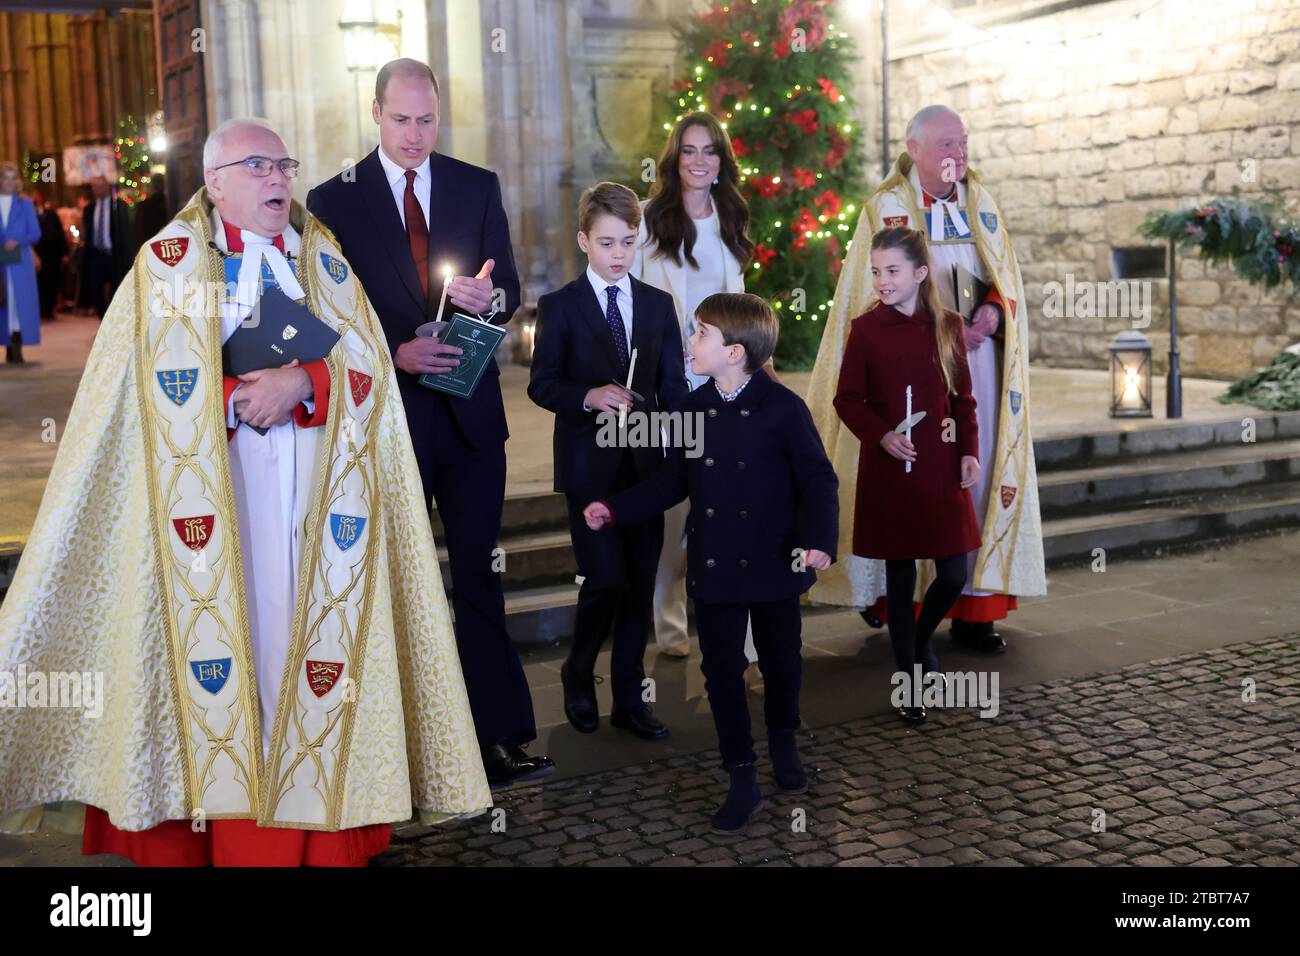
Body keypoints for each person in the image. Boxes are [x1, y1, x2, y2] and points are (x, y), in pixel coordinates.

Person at [0, 118, 491, 866]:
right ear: (215, 181)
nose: (278, 180)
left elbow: (371, 374)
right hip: (212, 527)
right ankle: (233, 842)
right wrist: (231, 397)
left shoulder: (322, 262)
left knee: (302, 666)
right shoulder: (166, 266)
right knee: (231, 674)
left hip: (317, 522)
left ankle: (313, 838)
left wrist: (304, 381)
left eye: (284, 165)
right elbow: (130, 398)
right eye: (258, 166)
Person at [307, 58, 551, 789]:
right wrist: (394, 351)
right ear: (375, 113)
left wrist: (489, 295)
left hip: (472, 422)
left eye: (427, 120)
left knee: (479, 577)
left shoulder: (478, 185)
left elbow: (507, 285)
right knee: (389, 585)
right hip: (387, 421)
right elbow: (323, 319)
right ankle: (393, 751)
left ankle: (498, 739)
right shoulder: (331, 201)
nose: (415, 134)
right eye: (401, 119)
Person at [585, 292, 837, 835]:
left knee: (782, 663)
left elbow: (818, 479)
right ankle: (741, 773)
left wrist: (818, 539)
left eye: (701, 334)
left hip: (775, 560)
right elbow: (672, 480)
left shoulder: (783, 408)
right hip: (716, 562)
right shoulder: (692, 410)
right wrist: (615, 508)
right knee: (721, 672)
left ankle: (784, 742)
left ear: (736, 352)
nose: (690, 343)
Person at [806, 104, 1045, 652]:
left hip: (976, 362)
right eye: (945, 144)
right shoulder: (886, 208)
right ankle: (901, 610)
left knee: (972, 472)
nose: (957, 154)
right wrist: (934, 328)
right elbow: (864, 298)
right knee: (910, 480)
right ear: (913, 150)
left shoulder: (979, 201)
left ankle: (974, 609)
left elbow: (1000, 276)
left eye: (962, 142)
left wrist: (990, 312)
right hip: (908, 370)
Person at [528, 181, 688, 741]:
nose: (618, 253)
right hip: (588, 468)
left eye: (628, 241)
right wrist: (589, 395)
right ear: (583, 241)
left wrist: (687, 433)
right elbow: (542, 385)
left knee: (640, 584)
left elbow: (671, 386)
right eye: (606, 242)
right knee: (604, 579)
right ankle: (577, 669)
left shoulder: (657, 305)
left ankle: (628, 699)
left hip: (645, 469)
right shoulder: (558, 307)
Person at [833, 228, 982, 724]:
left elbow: (963, 400)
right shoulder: (866, 329)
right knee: (899, 580)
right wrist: (882, 436)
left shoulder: (948, 326)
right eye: (875, 271)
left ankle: (920, 641)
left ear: (920, 273)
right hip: (892, 470)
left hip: (940, 468)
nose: (882, 280)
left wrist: (969, 452)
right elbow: (847, 399)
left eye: (892, 271)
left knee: (954, 573)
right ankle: (908, 680)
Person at [633, 112, 752, 659]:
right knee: (675, 512)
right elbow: (631, 300)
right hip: (671, 383)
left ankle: (740, 639)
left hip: (727, 381)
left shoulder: (730, 220)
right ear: (674, 159)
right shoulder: (648, 220)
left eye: (710, 151)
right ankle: (670, 621)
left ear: (722, 161)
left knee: (731, 507)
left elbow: (741, 303)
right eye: (689, 151)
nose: (699, 161)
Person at [0, 162, 41, 364]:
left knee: (19, 305)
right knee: (4, 304)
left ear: (17, 181)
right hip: (1, 263)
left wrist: (18, 241)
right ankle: (6, 345)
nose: (9, 182)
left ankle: (17, 347)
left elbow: (35, 233)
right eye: (5, 178)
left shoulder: (25, 204)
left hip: (20, 263)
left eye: (12, 178)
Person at [79, 178, 117, 318]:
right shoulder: (89, 209)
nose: (98, 190)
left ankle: (114, 323)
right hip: (95, 255)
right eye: (95, 187)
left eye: (101, 186)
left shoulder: (117, 207)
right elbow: (86, 234)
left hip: (113, 255)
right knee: (96, 291)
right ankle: (103, 323)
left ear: (108, 187)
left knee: (116, 290)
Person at [32, 192, 68, 320]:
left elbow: (60, 235)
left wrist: (64, 252)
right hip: (37, 254)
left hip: (52, 255)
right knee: (38, 283)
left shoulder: (51, 215)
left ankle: (49, 310)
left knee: (52, 282)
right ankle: (40, 310)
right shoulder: (28, 216)